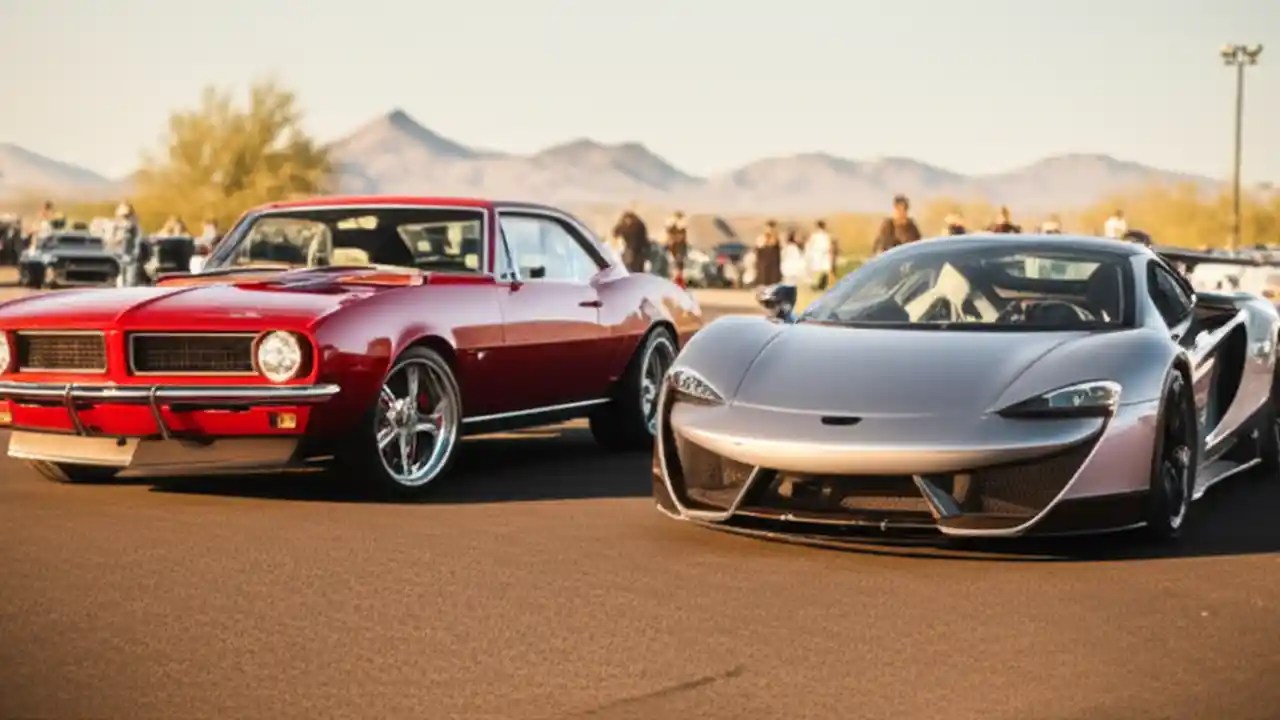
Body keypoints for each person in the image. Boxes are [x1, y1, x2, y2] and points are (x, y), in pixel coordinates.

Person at [111, 202, 142, 286]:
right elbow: (110, 240)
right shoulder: (114, 225)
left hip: (130, 257)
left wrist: (135, 252)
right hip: (117, 256)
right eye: (123, 216)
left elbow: (137, 240)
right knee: (119, 280)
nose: (125, 218)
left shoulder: (134, 226)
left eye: (127, 215)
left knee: (131, 281)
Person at [804, 220, 836, 289]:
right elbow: (829, 246)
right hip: (824, 254)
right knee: (825, 270)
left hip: (816, 254)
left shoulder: (814, 235)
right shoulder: (826, 235)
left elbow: (809, 245)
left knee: (816, 270)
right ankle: (825, 284)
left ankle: (815, 284)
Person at [754, 220, 783, 286]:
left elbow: (778, 247)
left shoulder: (777, 237)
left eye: (772, 227)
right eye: (769, 227)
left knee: (773, 279)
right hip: (764, 262)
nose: (770, 229)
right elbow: (759, 247)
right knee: (764, 278)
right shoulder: (761, 238)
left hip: (773, 263)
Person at [665, 211, 689, 285]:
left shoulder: (680, 227)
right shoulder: (674, 227)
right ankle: (677, 281)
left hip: (679, 247)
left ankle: (678, 281)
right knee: (676, 265)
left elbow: (681, 237)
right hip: (675, 247)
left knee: (678, 265)